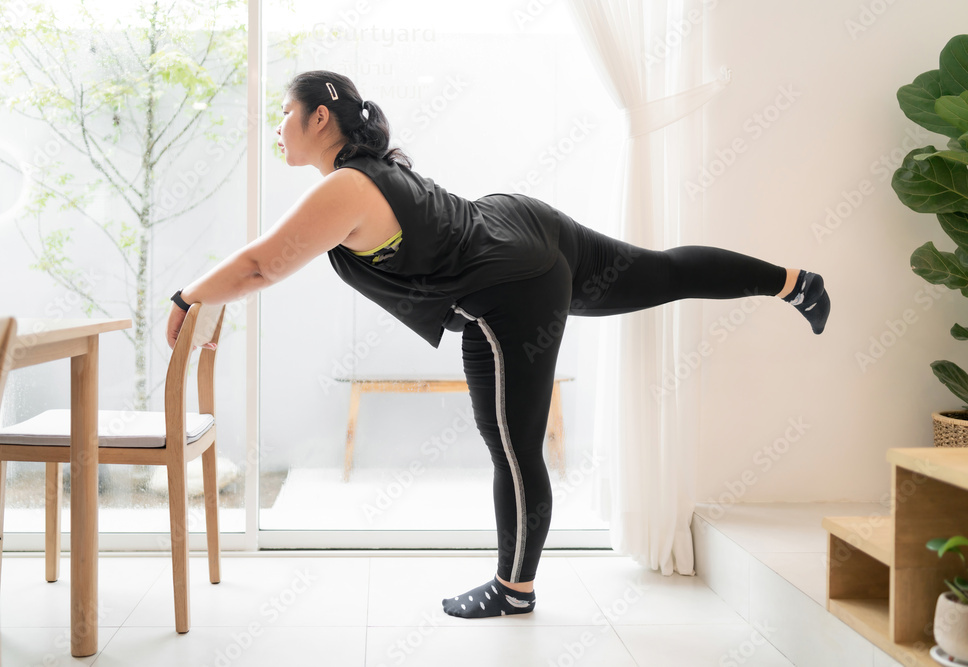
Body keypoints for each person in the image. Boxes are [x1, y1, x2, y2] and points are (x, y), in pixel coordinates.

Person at [165, 70, 830, 620]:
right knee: (661, 272)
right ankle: (794, 283)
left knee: (513, 445)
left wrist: (187, 295)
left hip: (509, 285)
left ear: (319, 119)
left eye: (284, 113)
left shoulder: (348, 186)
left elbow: (262, 266)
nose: (276, 127)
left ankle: (515, 589)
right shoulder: (369, 175)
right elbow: (270, 263)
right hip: (520, 226)